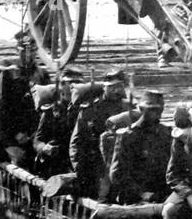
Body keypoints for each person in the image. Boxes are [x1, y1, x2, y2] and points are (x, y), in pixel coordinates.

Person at [70, 70, 128, 200]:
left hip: (120, 161)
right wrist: (79, 169)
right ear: (104, 87)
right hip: (95, 162)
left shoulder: (127, 108)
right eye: (111, 87)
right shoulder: (90, 110)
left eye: (119, 86)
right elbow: (76, 142)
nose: (115, 90)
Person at [107, 90, 172, 205]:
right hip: (135, 197)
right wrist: (140, 194)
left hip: (161, 194)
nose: (157, 113)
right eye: (152, 109)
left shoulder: (167, 134)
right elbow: (117, 174)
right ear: (142, 110)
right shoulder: (128, 136)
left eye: (159, 109)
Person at [31, 84, 73, 178]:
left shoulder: (83, 110)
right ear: (62, 93)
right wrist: (44, 148)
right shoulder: (50, 112)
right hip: (57, 159)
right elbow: (37, 141)